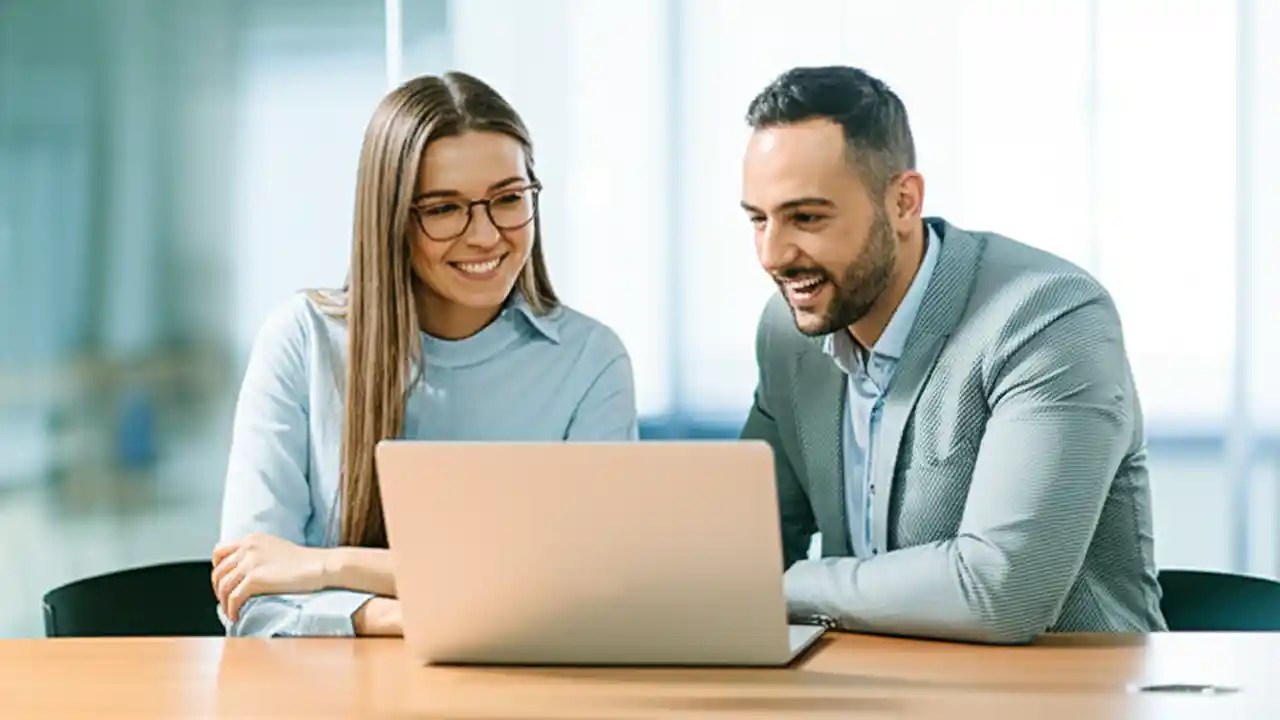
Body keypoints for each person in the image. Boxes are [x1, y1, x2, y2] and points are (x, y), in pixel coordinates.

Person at [738, 66, 1165, 644]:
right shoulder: (789, 334)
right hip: (868, 688)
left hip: (1061, 695)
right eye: (759, 219)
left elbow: (1002, 592)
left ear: (903, 202)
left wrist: (789, 588)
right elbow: (737, 554)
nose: (773, 254)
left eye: (807, 218)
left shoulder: (1048, 316)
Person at [211, 72, 638, 637]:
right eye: (443, 209)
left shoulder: (590, 361)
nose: (486, 235)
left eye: (508, 199)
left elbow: (592, 591)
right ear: (391, 219)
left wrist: (330, 567)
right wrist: (408, 614)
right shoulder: (302, 340)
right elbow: (250, 595)